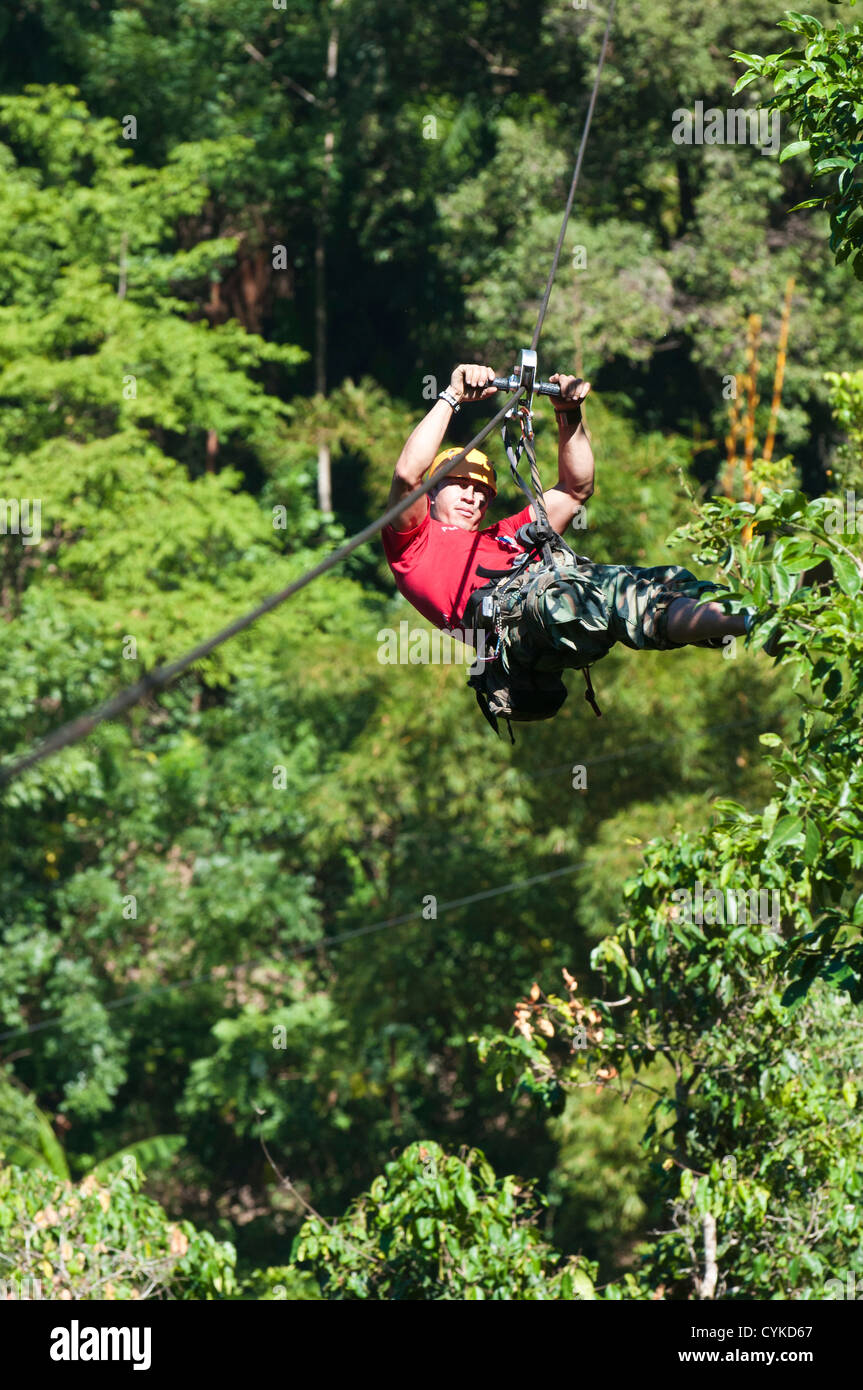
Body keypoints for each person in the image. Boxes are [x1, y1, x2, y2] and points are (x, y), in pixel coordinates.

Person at [381, 362, 749, 726]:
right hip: (526, 622)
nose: (472, 497)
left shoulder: (504, 536)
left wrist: (569, 413)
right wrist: (452, 396)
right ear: (432, 494)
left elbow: (576, 490)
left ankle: (753, 613)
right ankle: (753, 621)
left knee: (665, 582)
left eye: (482, 492)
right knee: (629, 600)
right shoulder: (414, 543)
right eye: (459, 484)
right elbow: (407, 475)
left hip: (552, 608)